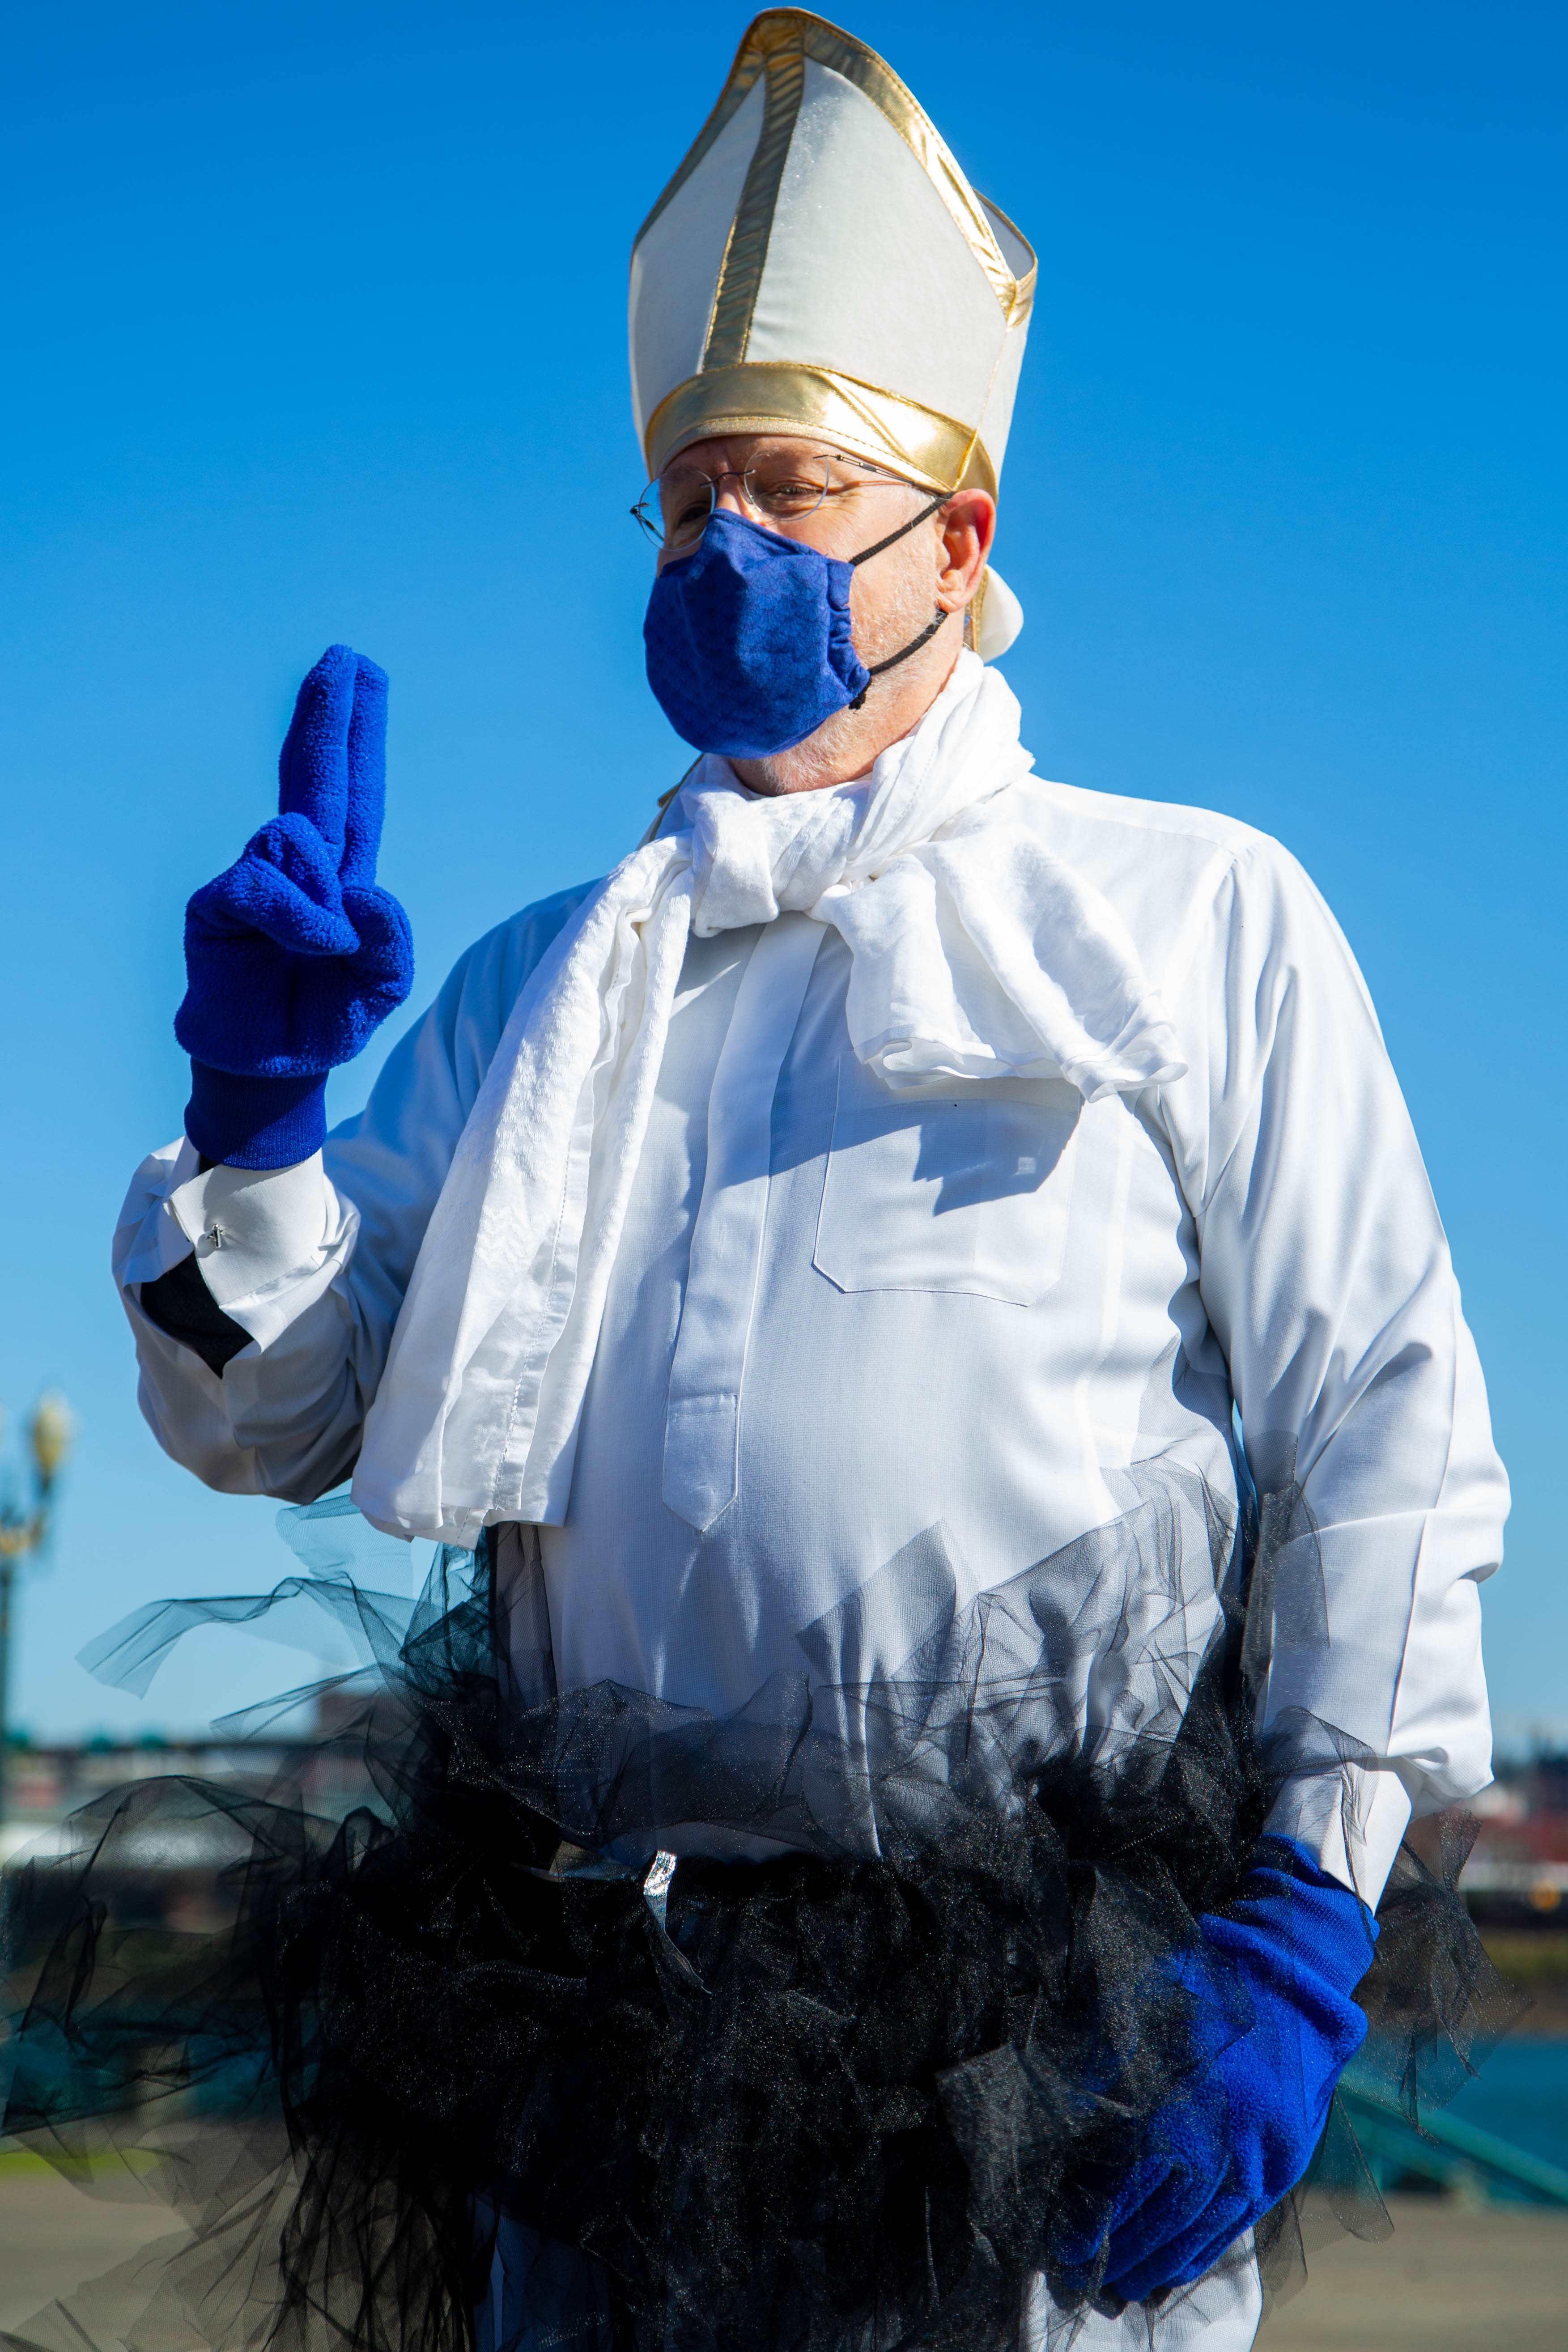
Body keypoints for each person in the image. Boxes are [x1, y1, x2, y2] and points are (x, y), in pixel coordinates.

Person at [99, 12, 1508, 2350]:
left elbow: (1381, 1420)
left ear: (954, 540)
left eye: (780, 489)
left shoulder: (1193, 914)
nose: (715, 548)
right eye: (680, 501)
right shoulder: (543, 986)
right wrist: (250, 1114)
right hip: (609, 2017)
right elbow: (275, 1418)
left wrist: (1306, 1916)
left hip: (1030, 2031)